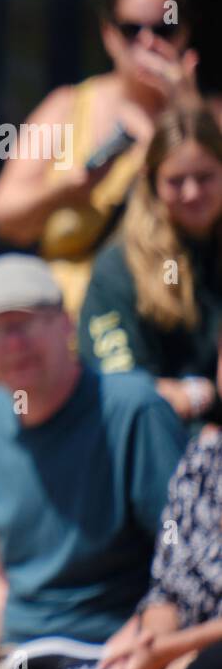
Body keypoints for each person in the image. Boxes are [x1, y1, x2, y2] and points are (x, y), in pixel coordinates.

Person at [0, 255, 185, 669]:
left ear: (66, 324)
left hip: (107, 654)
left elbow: (181, 557)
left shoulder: (132, 409)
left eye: (24, 324)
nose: (12, 344)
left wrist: (142, 640)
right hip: (14, 657)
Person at [0, 0, 222, 315]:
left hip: (180, 316)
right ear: (108, 35)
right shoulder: (68, 107)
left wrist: (187, 111)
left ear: (184, 34)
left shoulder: (210, 115)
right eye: (131, 30)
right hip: (75, 321)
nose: (148, 42)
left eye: (163, 29)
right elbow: (4, 215)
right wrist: (66, 191)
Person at [79, 103, 222, 433]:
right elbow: (119, 390)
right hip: (157, 437)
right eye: (176, 181)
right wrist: (195, 396)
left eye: (205, 177)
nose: (192, 192)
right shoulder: (120, 266)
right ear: (152, 181)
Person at [97, 432, 222, 669]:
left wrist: (161, 657)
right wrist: (144, 654)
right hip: (174, 654)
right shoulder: (203, 457)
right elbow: (167, 588)